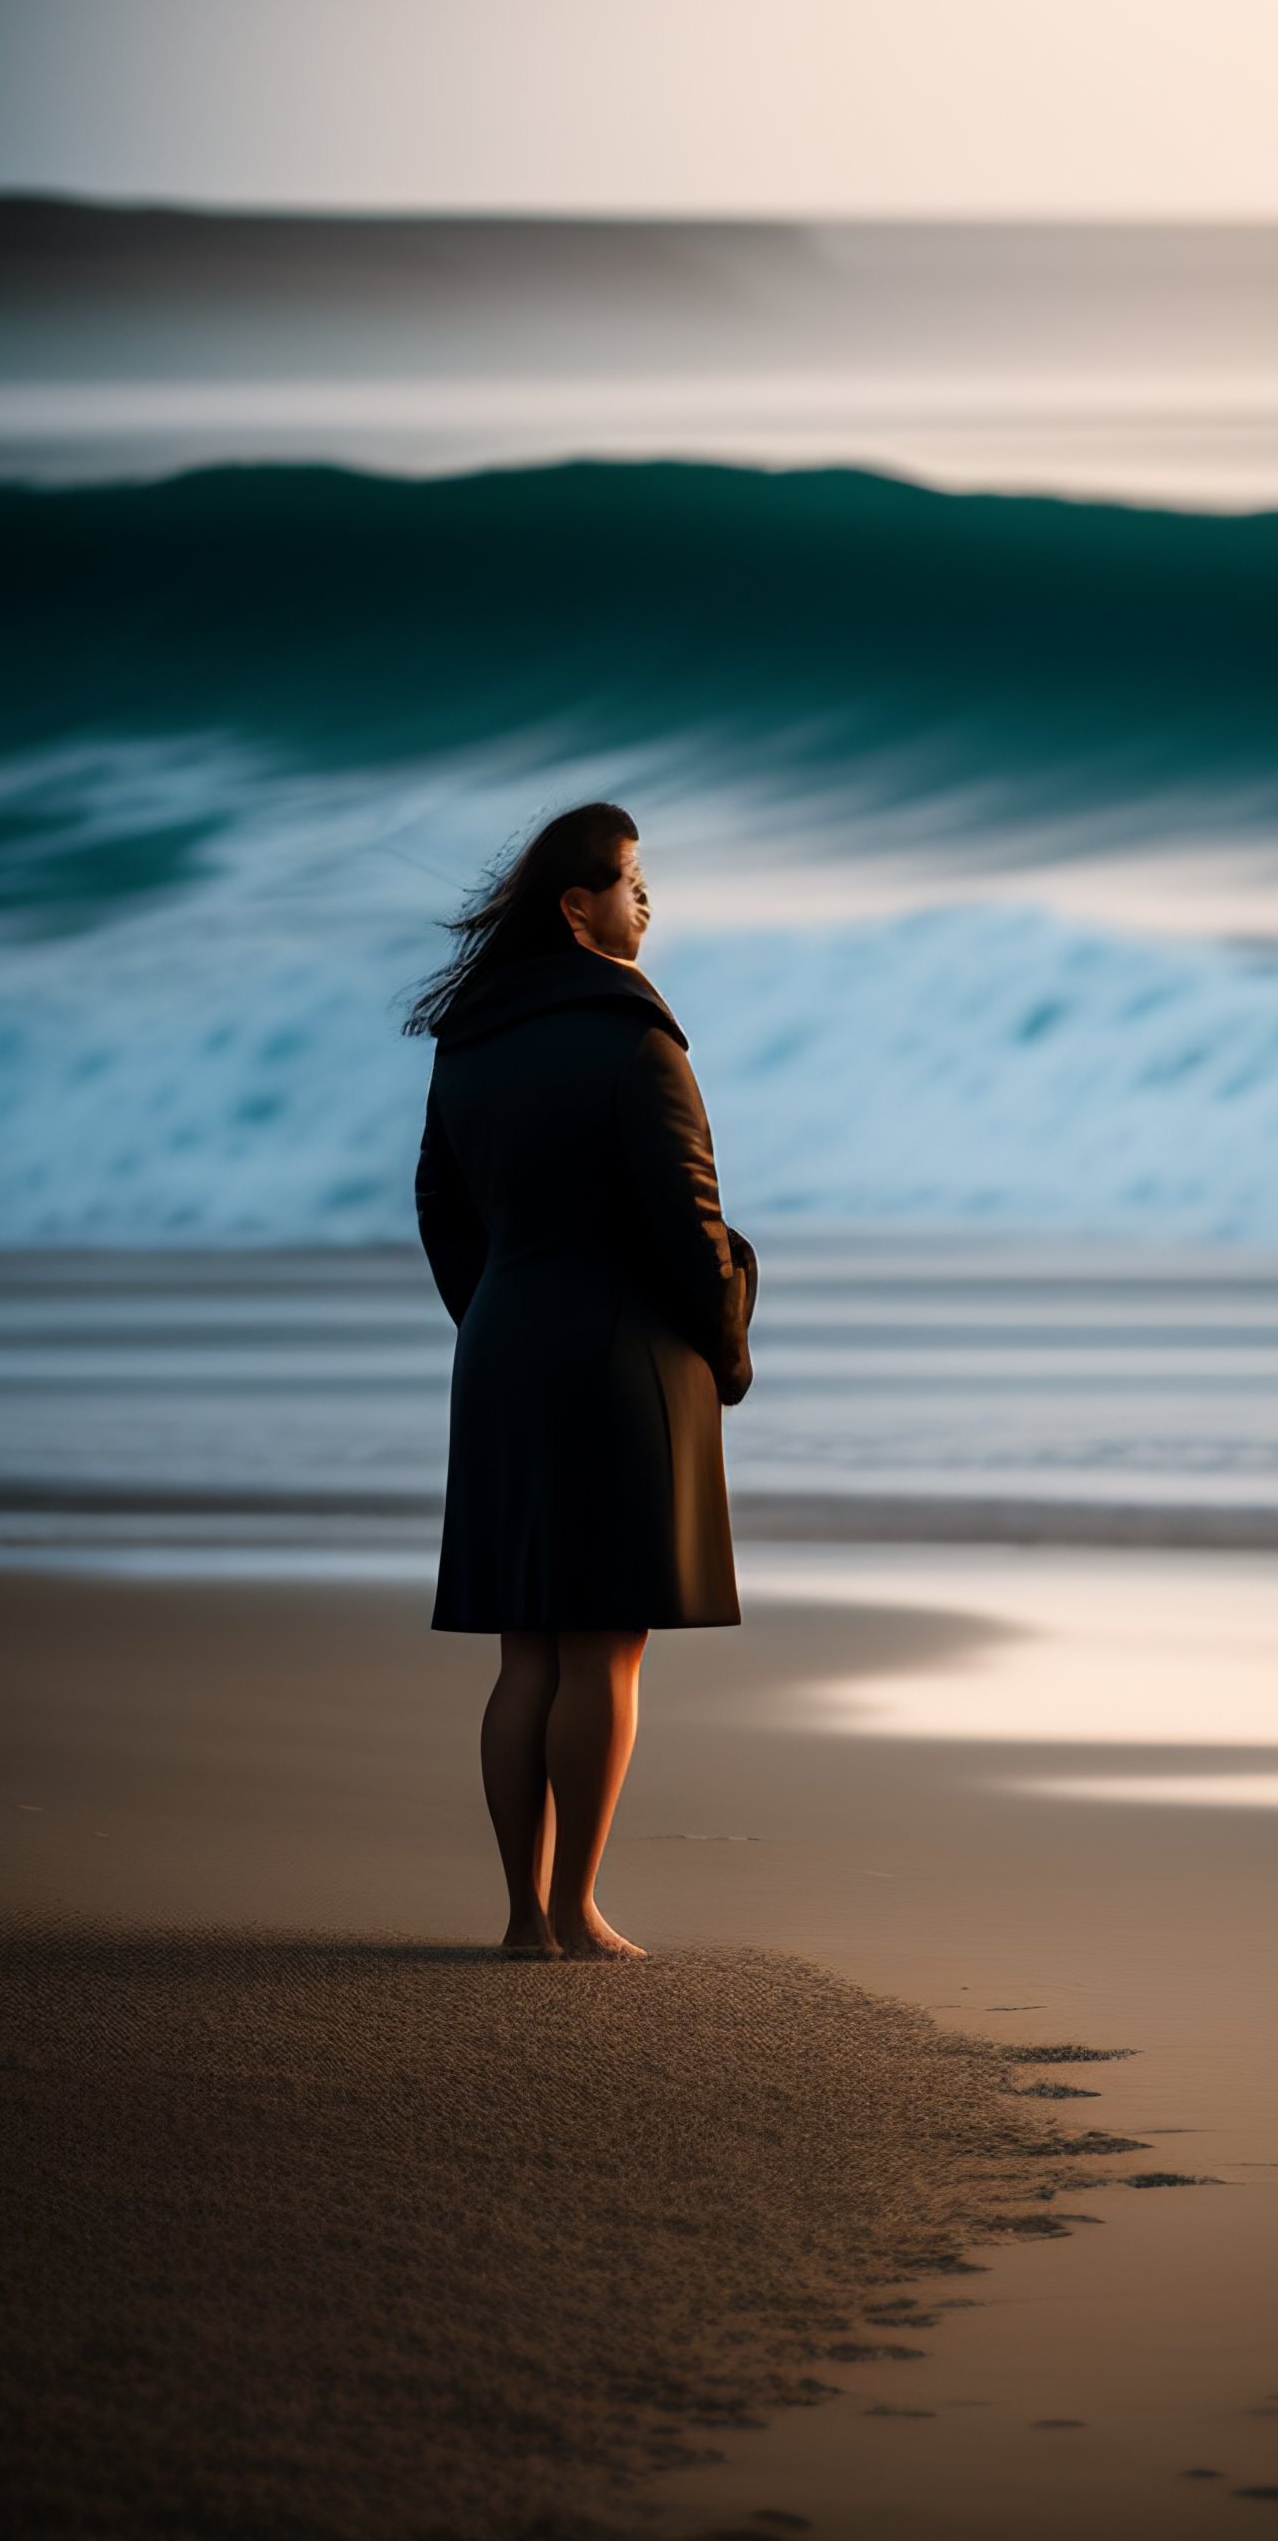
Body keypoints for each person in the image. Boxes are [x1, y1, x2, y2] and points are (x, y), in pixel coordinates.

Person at [406, 802, 755, 1961]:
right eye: (629, 879)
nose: (645, 900)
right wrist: (731, 1337)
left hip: (502, 1348)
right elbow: (690, 1227)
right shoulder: (633, 1037)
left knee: (527, 1650)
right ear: (577, 905)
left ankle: (520, 1915)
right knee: (604, 1646)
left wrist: (498, 1317)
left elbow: (440, 1213)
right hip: (619, 1363)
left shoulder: (468, 1043)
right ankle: (575, 1911)